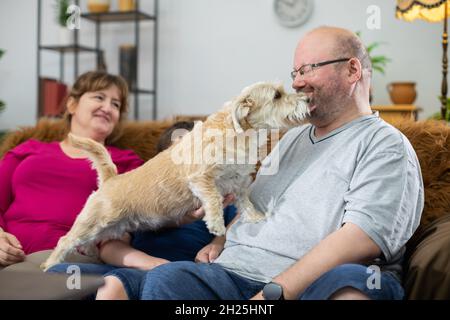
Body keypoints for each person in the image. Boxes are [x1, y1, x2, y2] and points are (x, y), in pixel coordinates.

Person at [124, 26, 424, 300]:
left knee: (353, 284)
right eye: (294, 72)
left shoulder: (385, 145)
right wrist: (221, 239)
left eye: (308, 69)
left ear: (352, 69)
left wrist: (275, 292)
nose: (296, 82)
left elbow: (360, 241)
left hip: (312, 284)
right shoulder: (291, 138)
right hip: (235, 274)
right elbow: (254, 205)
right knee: (169, 279)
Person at [46, 121, 237, 300]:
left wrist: (218, 242)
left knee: (115, 283)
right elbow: (109, 246)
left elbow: (237, 224)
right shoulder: (140, 196)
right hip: (134, 266)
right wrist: (148, 262)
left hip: (176, 272)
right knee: (59, 274)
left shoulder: (219, 198)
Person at [0, 71, 144, 269]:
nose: (107, 108)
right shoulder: (28, 149)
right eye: (99, 97)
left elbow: (145, 208)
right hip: (9, 253)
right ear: (72, 104)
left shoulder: (126, 162)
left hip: (67, 260)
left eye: (116, 104)